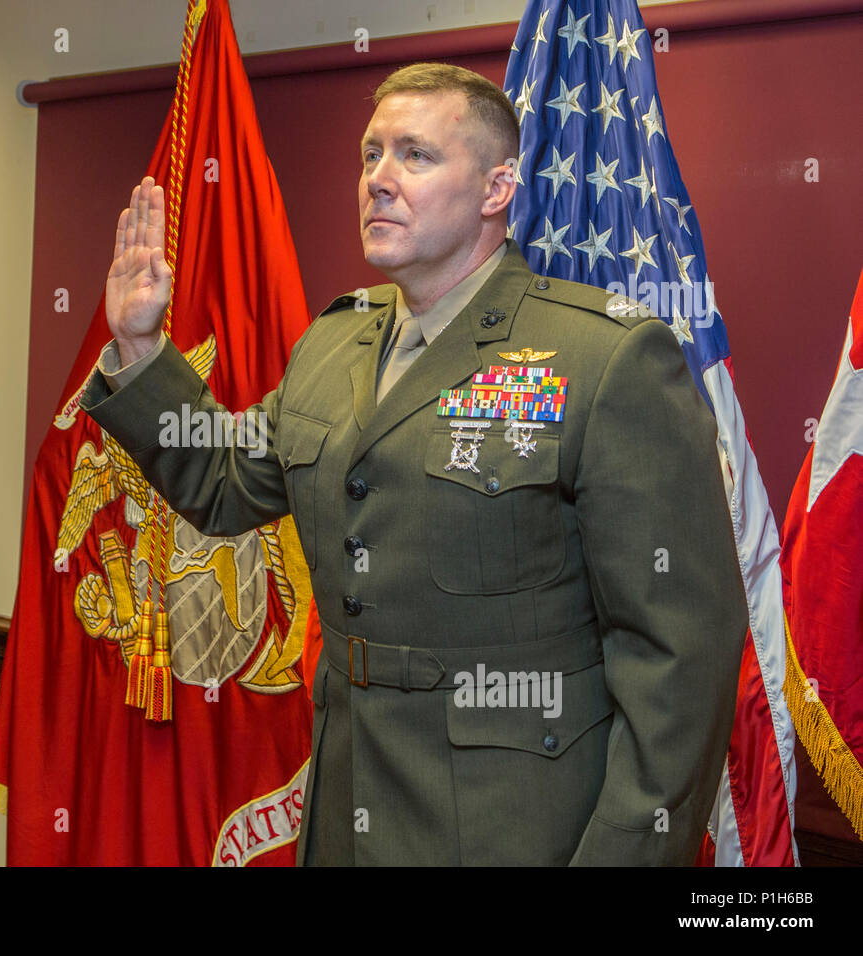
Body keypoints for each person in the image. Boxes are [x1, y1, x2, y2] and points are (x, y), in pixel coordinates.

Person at [80, 62, 748, 865]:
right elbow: (223, 483)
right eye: (370, 155)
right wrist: (143, 347)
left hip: (514, 830)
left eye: (415, 156)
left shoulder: (604, 358)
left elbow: (680, 658)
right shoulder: (333, 344)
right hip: (346, 806)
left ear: (497, 188)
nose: (379, 181)